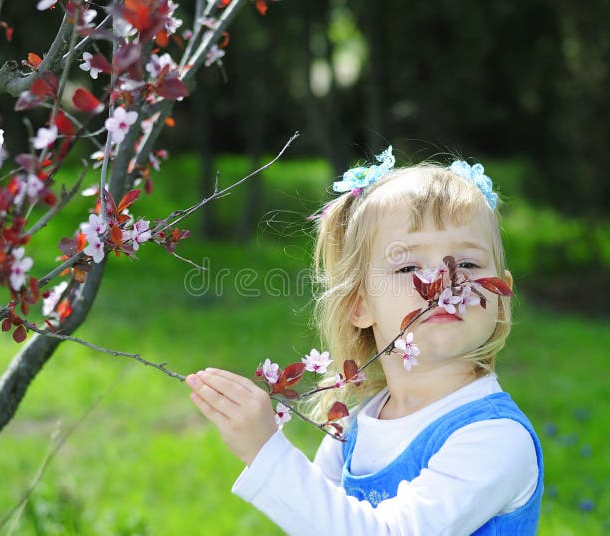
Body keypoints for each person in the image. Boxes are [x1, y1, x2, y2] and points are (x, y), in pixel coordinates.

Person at [185, 147, 544, 535]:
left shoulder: (494, 438)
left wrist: (264, 451)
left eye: (469, 264)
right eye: (408, 266)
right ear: (359, 305)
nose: (444, 280)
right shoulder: (356, 427)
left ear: (501, 296)